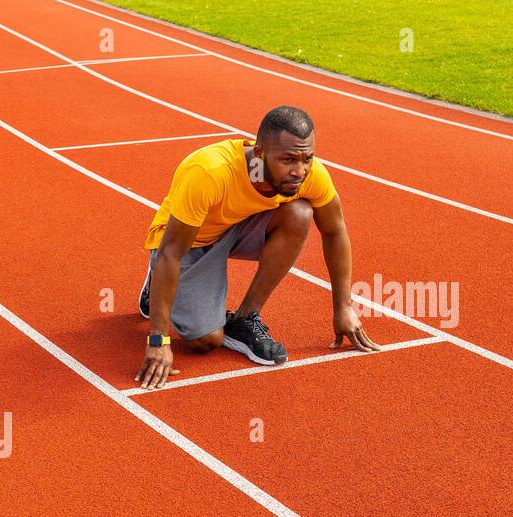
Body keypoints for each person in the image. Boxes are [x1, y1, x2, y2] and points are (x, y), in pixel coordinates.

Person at [135, 105, 379, 389]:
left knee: (300, 214)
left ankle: (245, 317)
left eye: (306, 159)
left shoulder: (310, 174)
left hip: (235, 227)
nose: (298, 171)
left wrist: (343, 307)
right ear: (260, 154)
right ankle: (157, 286)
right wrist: (158, 339)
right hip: (189, 242)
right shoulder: (209, 172)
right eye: (288, 159)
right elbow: (170, 253)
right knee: (205, 342)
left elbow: (335, 231)